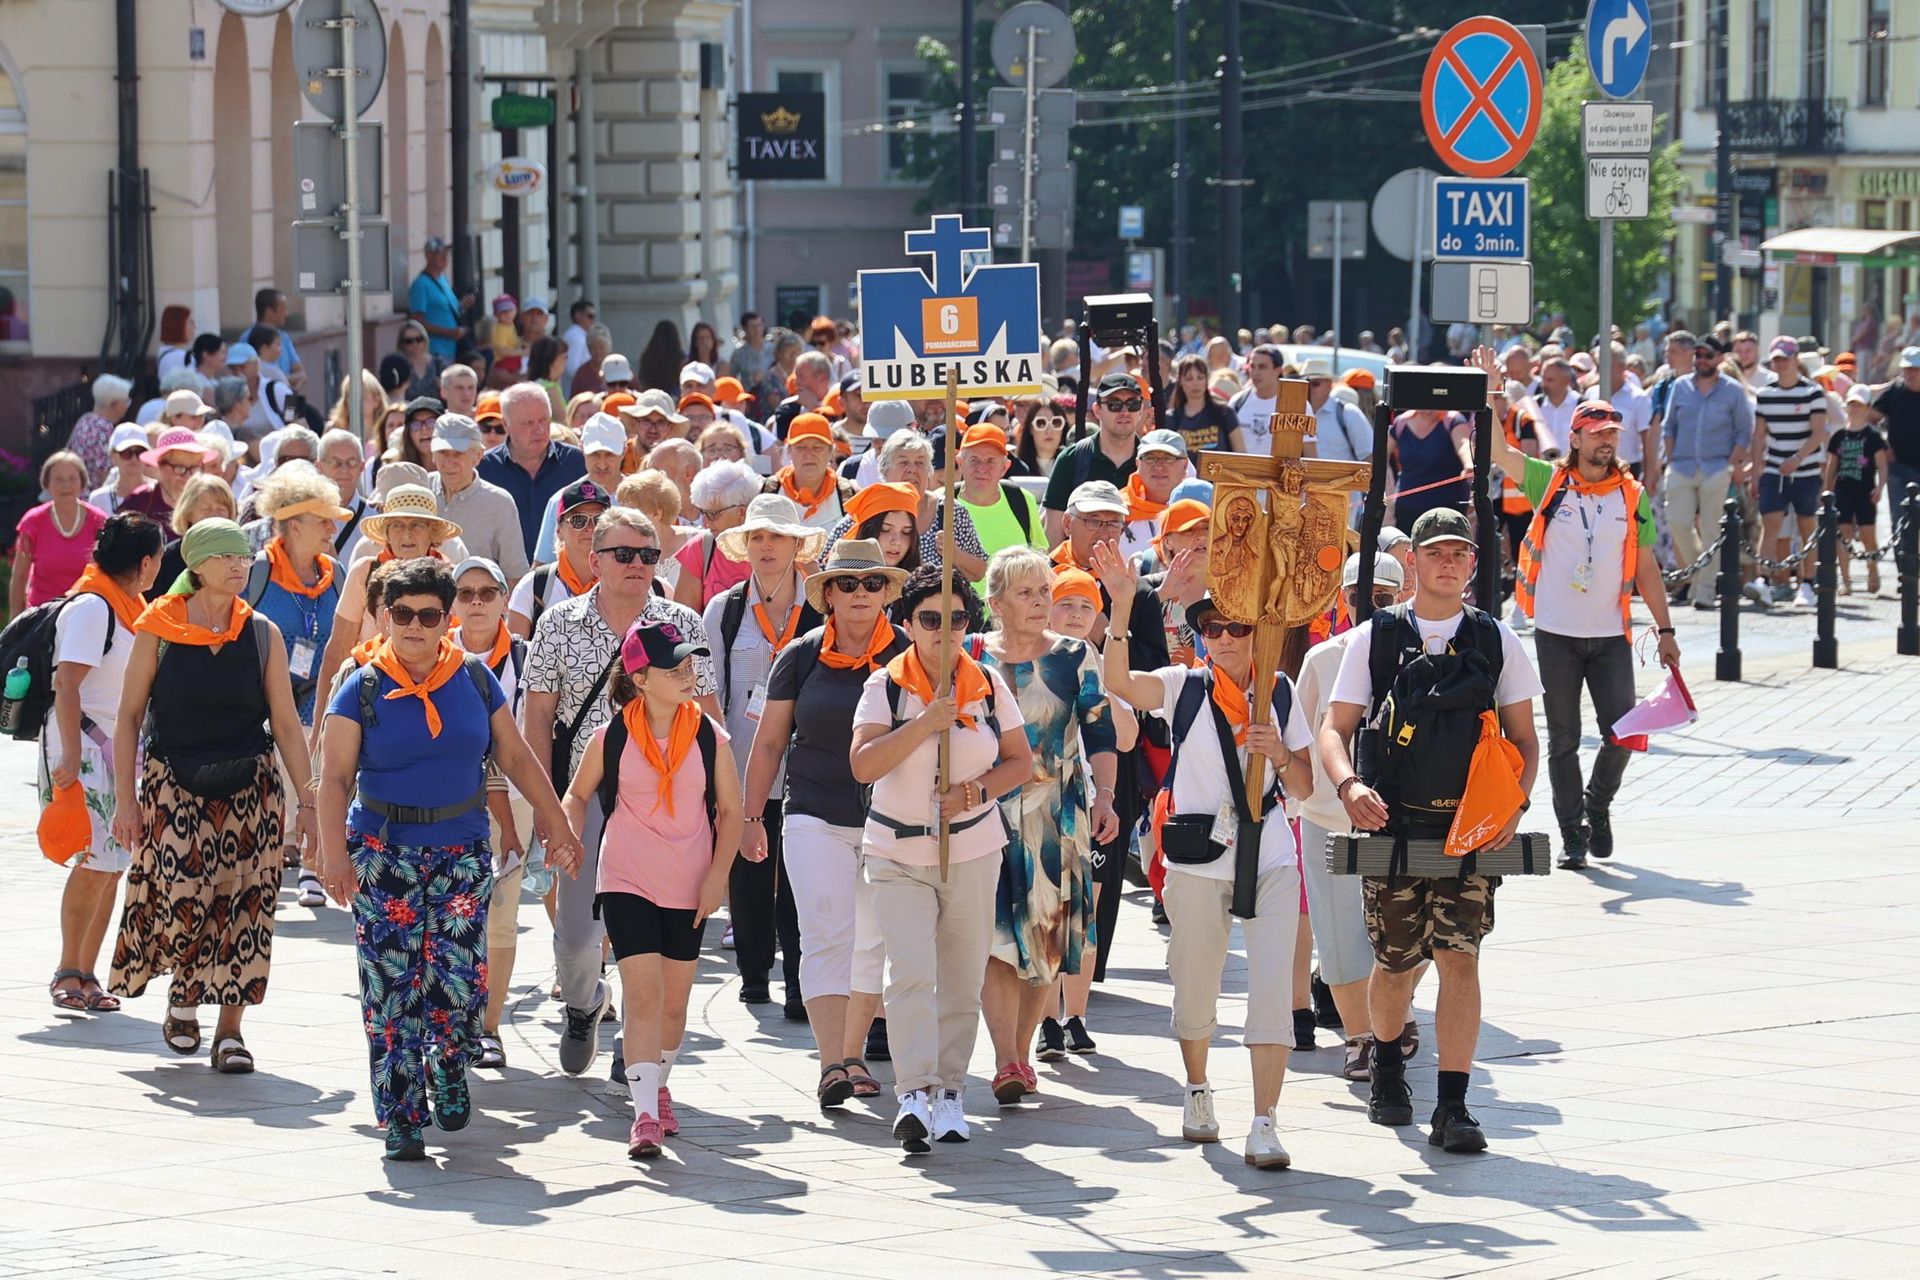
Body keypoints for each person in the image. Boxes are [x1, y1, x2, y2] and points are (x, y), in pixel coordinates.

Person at [312, 559, 579, 1160]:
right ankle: (401, 1116)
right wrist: (333, 856)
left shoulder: (476, 679)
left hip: (460, 851)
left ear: (446, 619)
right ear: (385, 617)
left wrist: (557, 822)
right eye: (401, 613)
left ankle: (450, 1063)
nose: (413, 625)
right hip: (383, 853)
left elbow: (513, 755)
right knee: (391, 988)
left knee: (459, 980)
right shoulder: (362, 685)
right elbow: (332, 780)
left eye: (428, 615)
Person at [1317, 507, 1543, 1155]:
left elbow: (1526, 741)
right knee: (1395, 963)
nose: (1448, 563)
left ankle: (1454, 1104)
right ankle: (1388, 1069)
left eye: (1459, 553)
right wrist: (1349, 786)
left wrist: (1514, 810)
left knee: (1460, 959)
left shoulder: (1498, 639)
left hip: (1468, 831)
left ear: (1473, 564)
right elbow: (1335, 729)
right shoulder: (1378, 637)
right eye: (1436, 552)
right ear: (1411, 560)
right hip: (1392, 822)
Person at [1091, 543, 1315, 1170]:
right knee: (1195, 980)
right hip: (1196, 855)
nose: (1222, 639)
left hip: (1268, 851)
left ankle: (1265, 1119)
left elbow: (1303, 787)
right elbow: (1118, 682)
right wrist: (1123, 608)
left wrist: (1277, 754)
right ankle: (1197, 1090)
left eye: (1236, 627)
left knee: (1272, 986)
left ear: (1258, 631)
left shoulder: (1281, 692)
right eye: (1211, 628)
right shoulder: (1183, 686)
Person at [108, 518, 317, 1074]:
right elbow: (129, 717)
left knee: (246, 909)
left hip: (252, 788)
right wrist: (125, 802)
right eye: (224, 556)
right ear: (197, 566)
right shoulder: (158, 628)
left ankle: (230, 1031)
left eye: (243, 557)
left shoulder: (261, 632)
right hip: (173, 784)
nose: (238, 565)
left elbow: (288, 724)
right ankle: (182, 994)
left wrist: (311, 803)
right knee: (183, 901)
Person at [522, 508, 718, 1076]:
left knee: (650, 937)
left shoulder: (683, 622)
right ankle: (584, 1005)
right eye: (623, 554)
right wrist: (546, 804)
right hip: (586, 796)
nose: (637, 565)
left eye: (648, 555)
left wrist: (719, 806)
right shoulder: (559, 622)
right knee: (579, 934)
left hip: (666, 803)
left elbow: (707, 715)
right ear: (594, 559)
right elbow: (537, 718)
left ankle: (636, 1046)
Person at [849, 566, 1032, 1153]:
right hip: (895, 851)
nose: (944, 632)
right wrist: (925, 722)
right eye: (931, 619)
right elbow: (863, 765)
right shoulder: (886, 686)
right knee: (910, 972)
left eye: (957, 620)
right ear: (906, 624)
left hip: (973, 848)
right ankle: (913, 1093)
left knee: (960, 977)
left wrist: (974, 793)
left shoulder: (987, 686)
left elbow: (1019, 763)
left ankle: (950, 1092)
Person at [561, 618, 742, 1160]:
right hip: (626, 879)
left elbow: (731, 812)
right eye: (675, 667)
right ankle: (643, 1115)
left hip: (691, 883)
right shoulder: (609, 736)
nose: (688, 674)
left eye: (691, 664)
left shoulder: (710, 734)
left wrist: (717, 878)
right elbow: (576, 795)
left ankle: (658, 1083)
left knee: (674, 1006)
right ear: (640, 678)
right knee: (643, 997)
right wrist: (568, 834)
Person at [739, 538, 908, 1108]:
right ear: (828, 593)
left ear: (887, 592)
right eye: (848, 584)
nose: (861, 594)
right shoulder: (802, 653)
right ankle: (832, 1062)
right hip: (811, 811)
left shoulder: (911, 655)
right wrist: (749, 817)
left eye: (873, 583)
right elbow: (768, 744)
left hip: (891, 819)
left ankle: (854, 1054)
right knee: (825, 933)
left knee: (872, 942)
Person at [1490, 391, 1675, 870]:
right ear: (1575, 438)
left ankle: (1598, 803)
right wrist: (1492, 395)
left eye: (1612, 433)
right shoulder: (1549, 483)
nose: (1607, 442)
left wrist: (1666, 628)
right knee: (1564, 739)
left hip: (1613, 634)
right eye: (1597, 434)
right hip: (1556, 634)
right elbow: (1499, 451)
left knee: (1625, 733)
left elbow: (1647, 566)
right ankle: (1572, 833)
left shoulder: (1632, 496)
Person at [972, 548, 1117, 1103]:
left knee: (1046, 939)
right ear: (997, 601)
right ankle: (1006, 1057)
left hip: (1057, 814)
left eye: (1043, 592)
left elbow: (1100, 735)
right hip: (983, 811)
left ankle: (1023, 1051)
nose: (1040, 602)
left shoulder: (1076, 657)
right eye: (1027, 593)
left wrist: (1105, 795)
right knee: (995, 938)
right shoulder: (970, 655)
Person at [700, 494, 824, 1013]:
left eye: (776, 536)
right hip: (744, 761)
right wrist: (721, 763)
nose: (766, 545)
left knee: (801, 874)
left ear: (797, 546)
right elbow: (708, 690)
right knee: (747, 870)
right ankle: (754, 976)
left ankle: (800, 985)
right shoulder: (723, 609)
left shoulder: (820, 605)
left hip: (807, 766)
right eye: (757, 536)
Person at [43, 515, 166, 1014]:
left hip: (116, 746)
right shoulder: (94, 606)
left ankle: (88, 973)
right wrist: (71, 755)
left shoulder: (128, 604)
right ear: (144, 562)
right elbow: (66, 685)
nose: (161, 564)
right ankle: (67, 970)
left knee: (113, 865)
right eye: (158, 556)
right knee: (94, 862)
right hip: (87, 745)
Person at [1295, 552, 1406, 1080]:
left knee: (1414, 931)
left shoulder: (1420, 652)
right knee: (1339, 934)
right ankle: (1360, 1037)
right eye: (1361, 596)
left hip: (1404, 818)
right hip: (1330, 815)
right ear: (1341, 598)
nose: (1372, 607)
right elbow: (1304, 732)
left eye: (1384, 596)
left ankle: (1394, 1014)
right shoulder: (1322, 659)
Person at [246, 463, 351, 903]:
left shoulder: (337, 575)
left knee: (318, 788)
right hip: (266, 711)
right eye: (322, 519)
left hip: (321, 708)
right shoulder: (256, 573)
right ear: (292, 525)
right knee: (270, 798)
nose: (332, 527)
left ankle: (313, 868)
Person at [444, 558, 530, 1067]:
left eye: (487, 592)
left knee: (500, 917)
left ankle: (489, 1028)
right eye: (466, 592)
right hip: (447, 803)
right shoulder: (432, 650)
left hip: (512, 806)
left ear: (504, 598)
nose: (476, 602)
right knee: (449, 917)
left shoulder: (525, 654)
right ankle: (449, 1022)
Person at [315, 486, 463, 696]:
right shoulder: (364, 572)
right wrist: (322, 722)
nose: (406, 534)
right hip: (369, 693)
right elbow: (338, 649)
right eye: (396, 526)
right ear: (386, 533)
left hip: (439, 693)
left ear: (433, 532)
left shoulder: (453, 579)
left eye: (417, 525)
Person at [1663, 339, 1754, 607]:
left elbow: (1744, 431)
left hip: (1716, 467)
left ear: (1719, 358)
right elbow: (1669, 428)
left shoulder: (1734, 391)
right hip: (1681, 466)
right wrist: (1669, 460)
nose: (1701, 359)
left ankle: (1704, 591)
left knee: (1712, 530)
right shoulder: (1680, 386)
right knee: (1678, 522)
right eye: (1698, 355)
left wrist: (1731, 463)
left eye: (1707, 355)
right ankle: (1697, 575)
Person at [827, 431, 988, 580]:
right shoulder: (867, 510)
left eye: (919, 463)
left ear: (929, 470)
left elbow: (980, 572)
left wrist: (955, 554)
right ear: (884, 471)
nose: (912, 469)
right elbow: (826, 564)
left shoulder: (950, 512)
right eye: (903, 462)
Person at [1749, 336, 1830, 608]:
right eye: (1776, 359)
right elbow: (1759, 437)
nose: (1780, 364)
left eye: (1785, 358)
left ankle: (1807, 583)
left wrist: (1798, 457)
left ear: (1796, 359)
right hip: (1774, 470)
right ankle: (1764, 581)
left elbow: (1819, 432)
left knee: (1807, 526)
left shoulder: (1812, 392)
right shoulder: (1765, 394)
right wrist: (1757, 471)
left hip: (1805, 472)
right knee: (1770, 524)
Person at [479, 382, 588, 561]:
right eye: (528, 423)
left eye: (544, 420)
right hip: (504, 580)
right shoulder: (485, 469)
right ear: (506, 425)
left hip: (566, 580)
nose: (539, 429)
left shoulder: (576, 463)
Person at [1043, 373, 1148, 544]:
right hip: (1083, 569)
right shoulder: (1072, 460)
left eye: (1133, 404)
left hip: (1143, 568)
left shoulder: (1153, 461)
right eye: (1115, 404)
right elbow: (1053, 538)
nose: (1124, 412)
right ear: (1097, 410)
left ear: (1141, 410)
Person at [430, 414, 529, 581]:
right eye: (443, 453)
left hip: (477, 602)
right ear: (433, 454)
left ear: (478, 456)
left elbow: (515, 575)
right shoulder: (420, 490)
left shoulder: (499, 502)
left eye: (458, 454)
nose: (449, 461)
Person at [509, 480, 609, 639]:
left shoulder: (623, 582)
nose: (590, 528)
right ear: (559, 530)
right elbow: (516, 657)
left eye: (599, 520)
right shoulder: (534, 586)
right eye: (578, 520)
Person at [12, 452, 109, 612]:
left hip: (86, 613)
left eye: (72, 479)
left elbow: (109, 575)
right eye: (58, 479)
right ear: (47, 484)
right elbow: (19, 576)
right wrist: (15, 625)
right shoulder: (32, 522)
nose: (66, 485)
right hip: (42, 616)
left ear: (82, 483)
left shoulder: (99, 521)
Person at [956, 423, 1046, 591]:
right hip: (957, 615)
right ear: (960, 463)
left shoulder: (1022, 501)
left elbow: (1041, 558)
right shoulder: (942, 502)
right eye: (974, 460)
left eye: (991, 461)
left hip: (1013, 615)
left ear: (1005, 468)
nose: (982, 469)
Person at [1827, 385, 1891, 595]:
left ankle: (1872, 569)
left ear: (1867, 408)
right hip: (1843, 489)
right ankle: (1845, 580)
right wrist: (1827, 490)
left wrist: (1880, 487)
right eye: (1851, 404)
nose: (1854, 409)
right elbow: (1832, 465)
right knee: (1843, 533)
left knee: (1867, 534)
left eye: (1859, 405)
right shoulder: (1839, 436)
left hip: (1865, 489)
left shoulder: (1873, 437)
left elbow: (1882, 465)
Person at [673, 461, 761, 611]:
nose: (705, 523)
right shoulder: (700, 548)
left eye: (713, 514)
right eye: (703, 513)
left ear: (741, 512)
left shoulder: (775, 545)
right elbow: (685, 621)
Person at [150, 474, 237, 603]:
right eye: (206, 509)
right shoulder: (166, 560)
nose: (215, 516)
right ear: (189, 513)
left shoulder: (240, 558)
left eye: (221, 509)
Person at [765, 412, 855, 533]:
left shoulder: (849, 496)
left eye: (817, 447)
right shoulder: (767, 492)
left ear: (831, 452)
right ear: (789, 451)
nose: (809, 454)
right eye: (801, 447)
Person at [1388, 408, 1474, 531]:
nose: (1427, 410)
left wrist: (1468, 464)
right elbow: (1380, 454)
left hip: (1446, 513)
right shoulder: (1402, 422)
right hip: (1407, 510)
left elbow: (1463, 444)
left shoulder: (1453, 420)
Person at [119, 427, 218, 528]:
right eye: (180, 468)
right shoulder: (140, 502)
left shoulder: (210, 502)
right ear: (160, 466)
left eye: (194, 468)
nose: (188, 476)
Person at [1119, 430, 1190, 561]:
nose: (1158, 467)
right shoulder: (1117, 510)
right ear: (1138, 464)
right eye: (1150, 458)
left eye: (1168, 458)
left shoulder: (1201, 510)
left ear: (1185, 464)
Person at [1162, 353, 1243, 454]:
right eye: (1189, 378)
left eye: (1200, 377)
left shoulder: (1225, 413)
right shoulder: (1171, 418)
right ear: (1180, 381)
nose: (1195, 383)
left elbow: (1241, 455)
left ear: (1207, 379)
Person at [1867, 346, 1920, 498]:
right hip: (1898, 465)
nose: (1910, 373)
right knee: (1899, 520)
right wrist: (1883, 447)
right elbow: (1870, 419)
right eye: (1906, 369)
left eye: (1915, 369)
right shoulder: (1895, 391)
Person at [408, 235, 471, 362]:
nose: (445, 256)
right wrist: (449, 332)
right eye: (439, 253)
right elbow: (417, 322)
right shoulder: (421, 284)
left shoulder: (442, 280)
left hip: (451, 349)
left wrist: (463, 305)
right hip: (434, 351)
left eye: (446, 252)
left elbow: (447, 310)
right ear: (428, 256)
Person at [68, 374, 134, 488]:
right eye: (126, 401)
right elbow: (105, 474)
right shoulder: (103, 428)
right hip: (93, 498)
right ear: (114, 404)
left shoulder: (85, 419)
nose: (127, 406)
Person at [1227, 345, 1284, 456]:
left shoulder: (1296, 405)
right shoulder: (1237, 402)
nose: (1256, 372)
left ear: (1278, 370)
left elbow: (1309, 453)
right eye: (1252, 366)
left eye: (1262, 367)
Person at [90, 424, 153, 515]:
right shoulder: (99, 499)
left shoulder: (160, 493)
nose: (134, 459)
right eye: (126, 453)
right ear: (113, 456)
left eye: (140, 452)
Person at [1013, 396, 1080, 478]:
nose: (1049, 431)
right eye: (1041, 423)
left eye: (1056, 423)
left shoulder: (1076, 465)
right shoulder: (1016, 468)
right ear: (1031, 428)